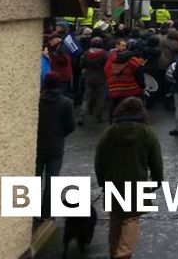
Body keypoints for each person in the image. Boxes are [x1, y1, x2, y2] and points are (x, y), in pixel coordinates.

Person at [94, 97, 164, 259]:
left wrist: (102, 181)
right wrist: (157, 181)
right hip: (137, 182)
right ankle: (123, 254)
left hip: (113, 182)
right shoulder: (147, 132)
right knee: (131, 219)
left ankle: (114, 253)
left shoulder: (110, 132)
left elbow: (99, 159)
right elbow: (156, 161)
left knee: (116, 220)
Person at [37, 73, 75, 220]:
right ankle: (46, 213)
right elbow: (70, 126)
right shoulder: (66, 103)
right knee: (52, 181)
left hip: (39, 145)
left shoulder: (38, 102)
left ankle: (31, 212)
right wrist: (60, 134)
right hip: (56, 146)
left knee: (35, 178)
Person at [79, 39, 108, 125]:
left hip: (89, 77)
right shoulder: (104, 54)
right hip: (101, 77)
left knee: (86, 98)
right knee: (100, 98)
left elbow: (81, 65)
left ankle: (82, 116)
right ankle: (99, 115)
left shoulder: (86, 53)